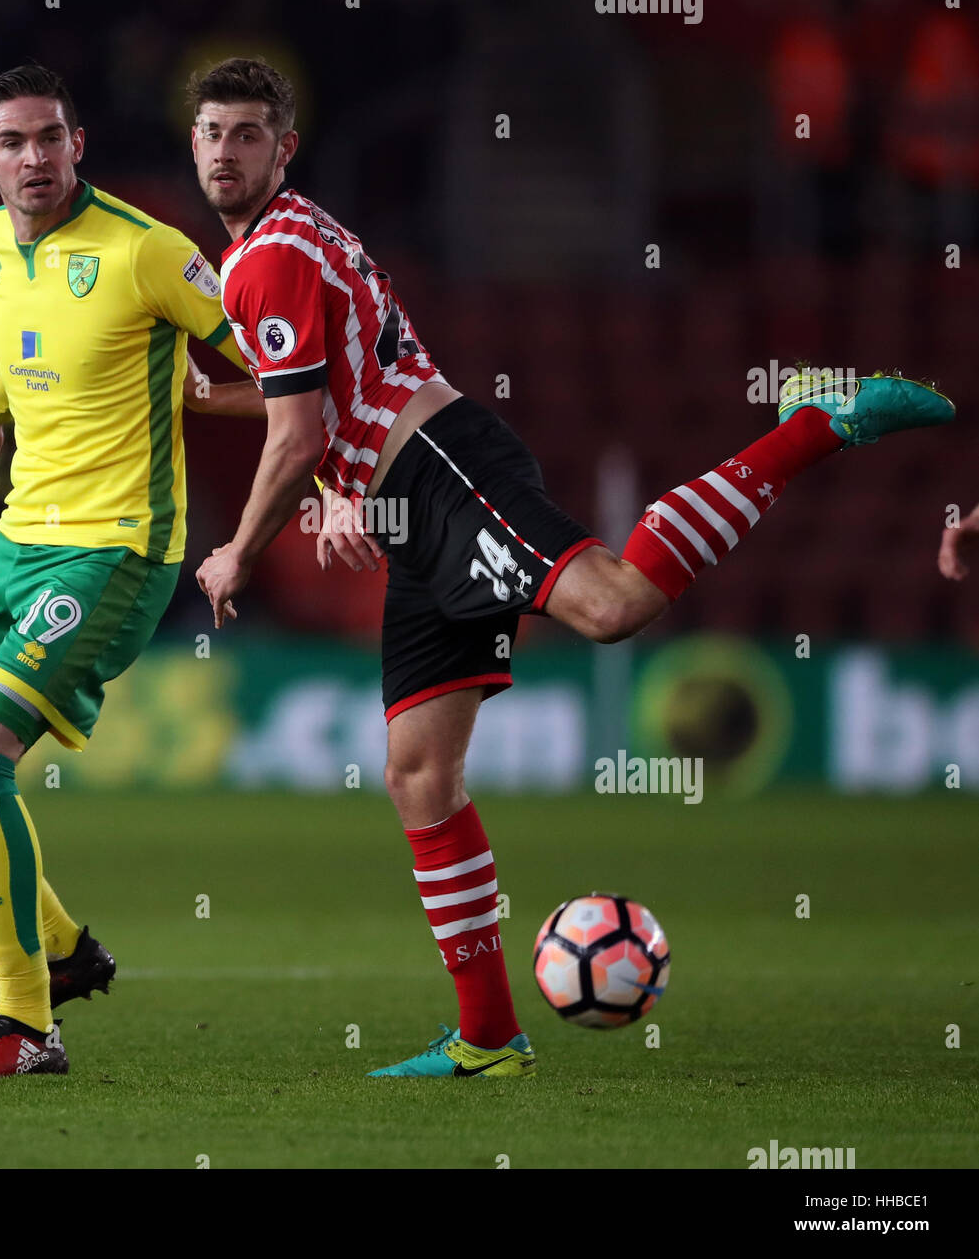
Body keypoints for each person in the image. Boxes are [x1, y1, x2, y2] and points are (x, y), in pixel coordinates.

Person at [186, 57, 955, 1079]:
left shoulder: (266, 260)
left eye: (246, 133)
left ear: (282, 149)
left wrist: (242, 546)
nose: (225, 151)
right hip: (407, 496)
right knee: (419, 776)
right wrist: (308, 468)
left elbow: (295, 431)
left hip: (445, 468)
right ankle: (488, 1037)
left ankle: (815, 424)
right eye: (210, 133)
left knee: (611, 606)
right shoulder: (280, 247)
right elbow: (323, 397)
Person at [0, 63, 261, 1077]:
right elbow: (30, 342)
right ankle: (64, 947)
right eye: (13, 143)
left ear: (77, 146)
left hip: (113, 549)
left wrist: (205, 405)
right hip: (14, 536)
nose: (33, 159)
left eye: (50, 138)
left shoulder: (148, 252)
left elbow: (285, 372)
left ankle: (27, 1023)